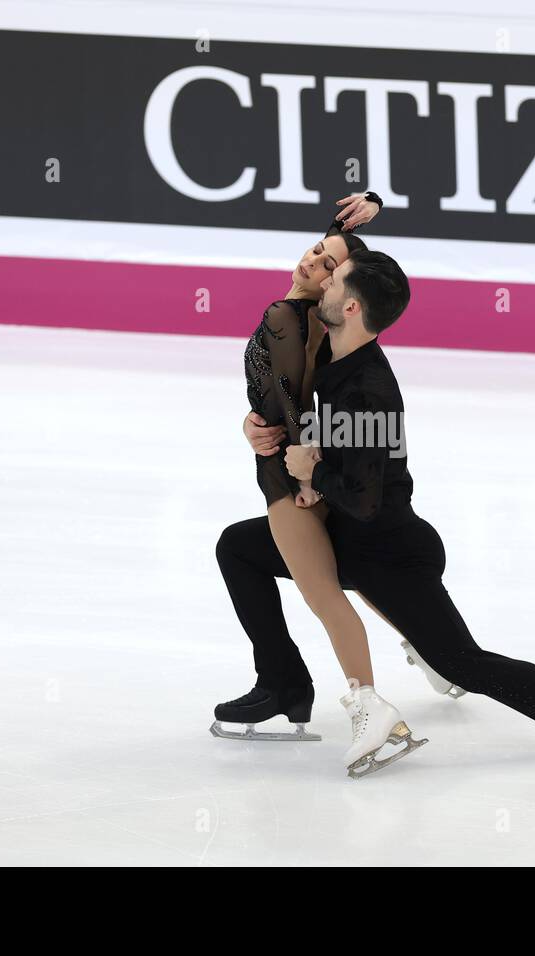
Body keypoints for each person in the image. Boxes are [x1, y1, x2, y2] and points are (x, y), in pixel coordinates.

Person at [219, 249, 535, 767]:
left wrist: (311, 471)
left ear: (350, 308)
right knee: (238, 547)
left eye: (334, 280)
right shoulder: (338, 361)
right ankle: (282, 680)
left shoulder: (368, 391)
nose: (321, 284)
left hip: (388, 554)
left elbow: (364, 500)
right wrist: (257, 427)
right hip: (350, 540)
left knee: (467, 664)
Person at [209, 193, 431, 777]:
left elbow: (292, 399)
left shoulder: (288, 316)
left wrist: (294, 467)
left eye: (329, 266)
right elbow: (337, 247)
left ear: (344, 291)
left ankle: (367, 706)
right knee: (343, 575)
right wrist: (363, 209)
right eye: (313, 250)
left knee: (324, 593)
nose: (313, 262)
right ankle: (427, 654)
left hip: (290, 471)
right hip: (295, 457)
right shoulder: (311, 307)